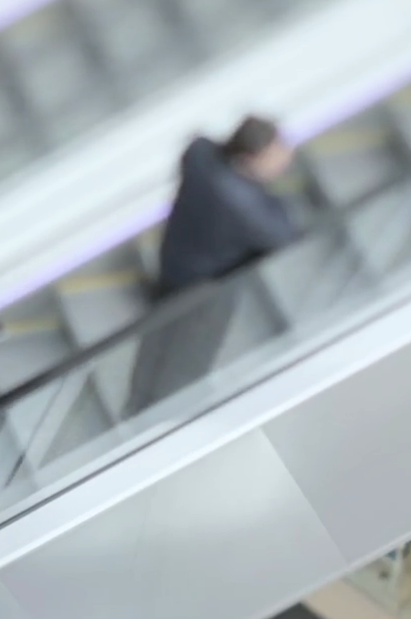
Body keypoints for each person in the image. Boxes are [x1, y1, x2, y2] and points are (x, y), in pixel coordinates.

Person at [125, 116, 299, 417]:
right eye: (275, 154)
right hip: (204, 289)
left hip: (175, 260)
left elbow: (199, 144)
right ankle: (156, 419)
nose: (285, 157)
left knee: (156, 338)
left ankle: (136, 403)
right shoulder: (241, 205)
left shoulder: (200, 155)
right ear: (249, 159)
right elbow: (281, 233)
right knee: (186, 360)